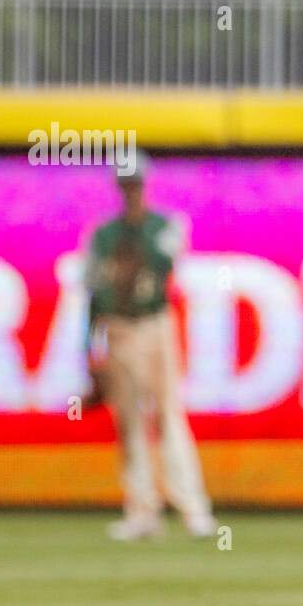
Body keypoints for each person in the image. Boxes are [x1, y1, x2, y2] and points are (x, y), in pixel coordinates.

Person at [84, 150, 216, 541]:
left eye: (136, 183)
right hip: (120, 328)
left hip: (155, 324)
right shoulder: (102, 234)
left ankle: (192, 507)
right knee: (129, 421)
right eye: (126, 184)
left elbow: (161, 264)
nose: (132, 191)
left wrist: (136, 232)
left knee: (168, 413)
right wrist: (93, 348)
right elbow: (95, 292)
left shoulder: (164, 225)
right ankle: (142, 510)